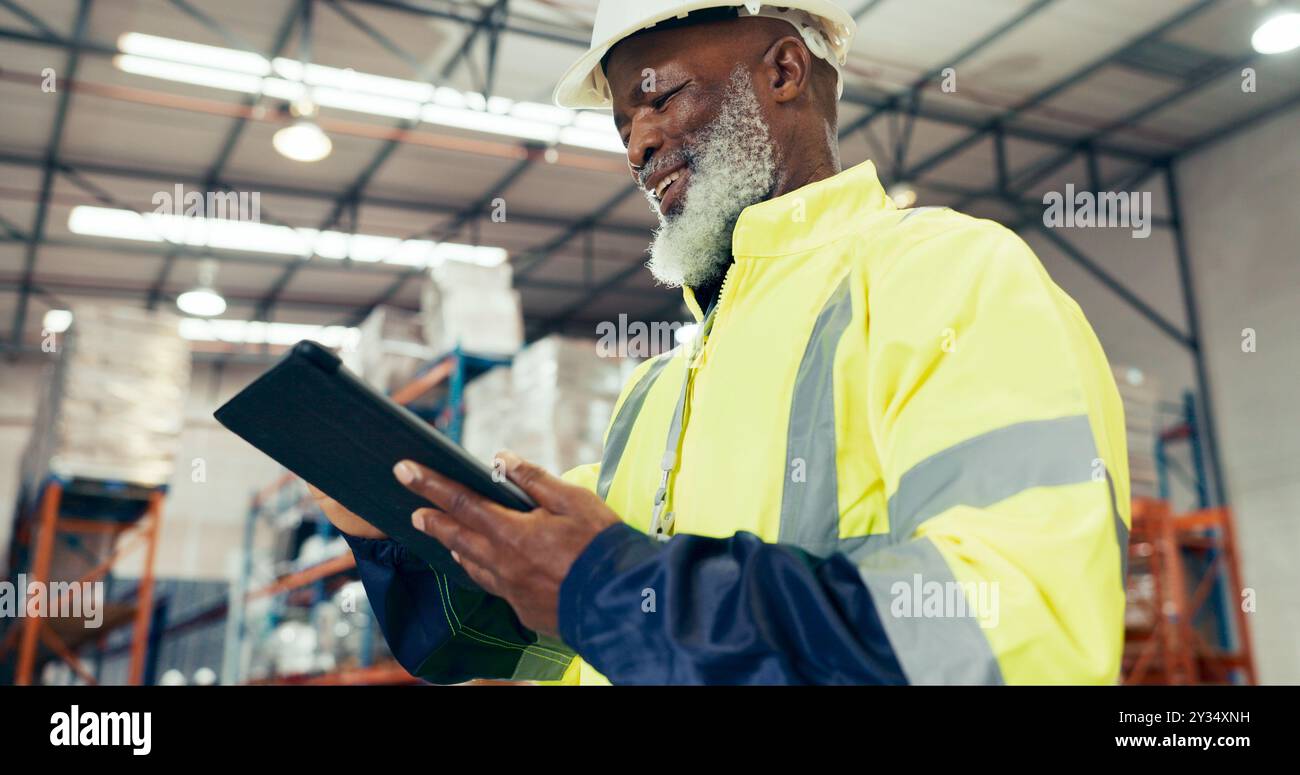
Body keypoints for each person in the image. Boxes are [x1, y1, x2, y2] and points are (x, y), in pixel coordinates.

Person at [314, 1, 1131, 685]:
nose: (636, 146)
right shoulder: (655, 394)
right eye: (622, 122)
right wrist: (398, 526)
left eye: (659, 97)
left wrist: (613, 586)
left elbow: (1014, 628)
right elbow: (558, 647)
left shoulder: (950, 276)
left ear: (782, 72)